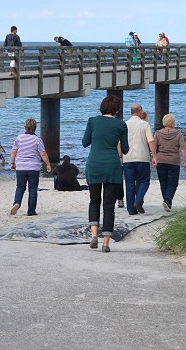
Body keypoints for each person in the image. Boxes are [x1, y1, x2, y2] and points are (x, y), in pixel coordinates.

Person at [82, 94, 129, 253]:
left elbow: (84, 143)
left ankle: (94, 235)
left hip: (94, 164)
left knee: (94, 200)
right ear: (117, 109)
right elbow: (126, 149)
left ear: (102, 107)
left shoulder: (92, 121)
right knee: (109, 205)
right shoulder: (121, 125)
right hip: (112, 166)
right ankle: (106, 243)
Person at [9, 118, 51, 216]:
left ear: (25, 127)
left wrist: (12, 163)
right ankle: (31, 211)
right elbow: (43, 153)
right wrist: (48, 164)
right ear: (35, 128)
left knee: (20, 187)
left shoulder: (19, 138)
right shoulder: (37, 139)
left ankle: (17, 203)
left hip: (21, 167)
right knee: (32, 189)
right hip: (33, 167)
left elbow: (13, 151)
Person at [122, 104, 155, 215]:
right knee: (144, 181)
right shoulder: (145, 124)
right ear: (140, 111)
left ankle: (131, 210)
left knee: (129, 184)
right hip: (142, 157)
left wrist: (120, 156)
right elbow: (150, 141)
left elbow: (119, 142)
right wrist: (154, 155)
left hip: (128, 158)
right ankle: (138, 200)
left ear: (131, 112)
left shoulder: (124, 124)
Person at [153, 114, 186, 212]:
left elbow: (154, 148)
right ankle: (167, 201)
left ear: (164, 123)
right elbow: (183, 148)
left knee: (163, 183)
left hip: (161, 161)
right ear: (173, 123)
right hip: (174, 161)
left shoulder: (158, 133)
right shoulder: (178, 134)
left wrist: (154, 158)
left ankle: (167, 201)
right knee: (173, 183)